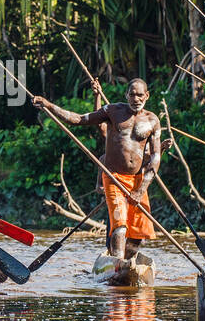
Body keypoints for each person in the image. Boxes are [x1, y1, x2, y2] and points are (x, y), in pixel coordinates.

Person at [34, 79, 161, 262]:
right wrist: (48, 105)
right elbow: (78, 119)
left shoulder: (153, 121)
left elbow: (155, 157)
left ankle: (127, 264)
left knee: (137, 234)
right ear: (126, 95)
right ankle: (116, 264)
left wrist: (141, 190)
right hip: (113, 177)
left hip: (138, 181)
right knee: (120, 227)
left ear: (147, 96)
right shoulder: (113, 111)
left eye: (140, 94)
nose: (135, 98)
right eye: (132, 94)